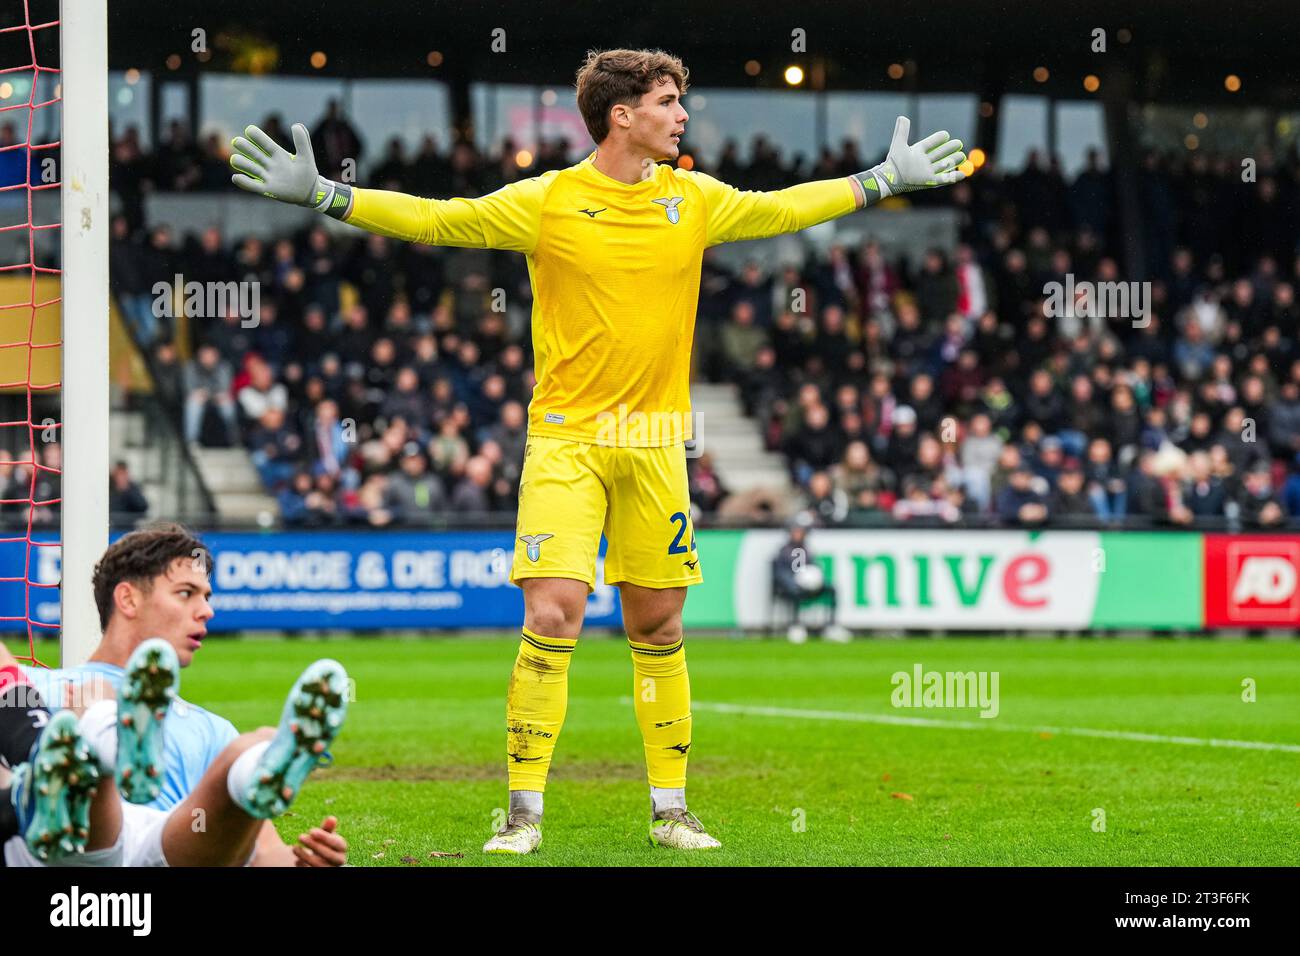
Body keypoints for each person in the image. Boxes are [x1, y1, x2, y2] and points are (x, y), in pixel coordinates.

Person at [229, 47, 965, 855]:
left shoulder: (696, 198)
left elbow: (786, 208)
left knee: (658, 627)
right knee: (552, 613)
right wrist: (328, 195)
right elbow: (441, 219)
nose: (682, 114)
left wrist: (881, 181)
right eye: (668, 100)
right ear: (622, 115)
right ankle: (522, 815)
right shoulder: (547, 201)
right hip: (567, 443)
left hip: (655, 449)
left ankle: (672, 810)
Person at [0, 524, 349, 867]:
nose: (207, 611)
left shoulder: (211, 729)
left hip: (167, 843)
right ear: (128, 599)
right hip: (66, 842)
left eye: (207, 597)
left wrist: (299, 862)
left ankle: (121, 744)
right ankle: (107, 742)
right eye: (187, 593)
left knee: (252, 746)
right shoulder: (29, 687)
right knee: (91, 701)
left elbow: (266, 854)